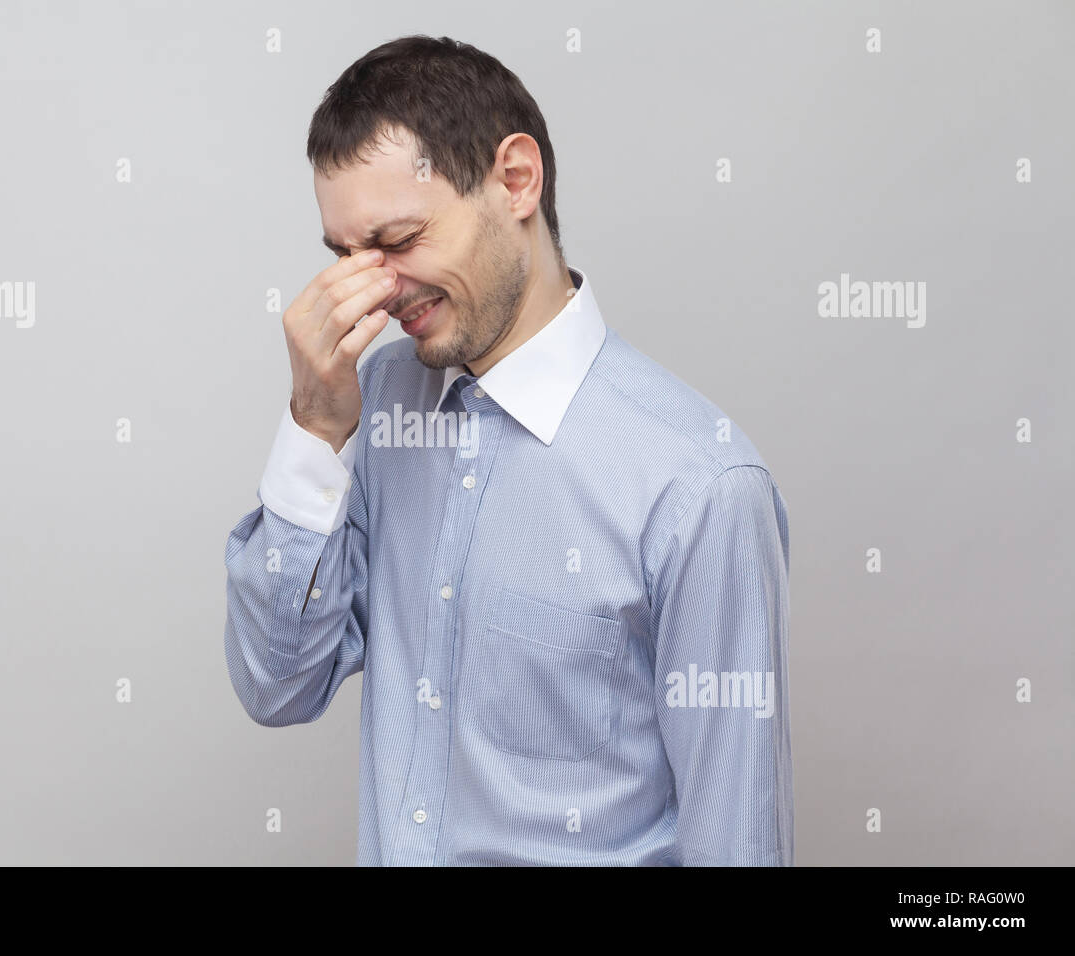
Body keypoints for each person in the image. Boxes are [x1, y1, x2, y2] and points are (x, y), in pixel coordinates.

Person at [224, 35, 793, 866]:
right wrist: (315, 426)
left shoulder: (699, 487)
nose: (373, 290)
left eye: (399, 239)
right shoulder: (370, 405)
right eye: (346, 256)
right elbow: (278, 685)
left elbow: (736, 839)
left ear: (516, 182)